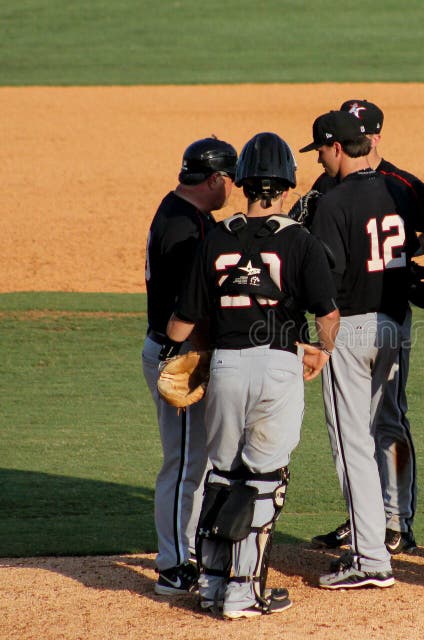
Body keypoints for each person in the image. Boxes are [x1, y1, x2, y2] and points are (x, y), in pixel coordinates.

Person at [162, 132, 340, 617]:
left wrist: (176, 354)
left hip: (225, 366)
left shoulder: (215, 237)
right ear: (287, 184)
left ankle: (211, 585)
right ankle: (244, 592)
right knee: (263, 480)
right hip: (277, 366)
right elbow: (327, 315)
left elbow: (184, 320)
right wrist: (322, 352)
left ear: (241, 182)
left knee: (221, 476)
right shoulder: (300, 240)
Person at [304, 99, 424, 556]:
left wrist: (408, 249)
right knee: (377, 423)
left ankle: (386, 522)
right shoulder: (376, 187)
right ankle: (378, 521)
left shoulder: (378, 187)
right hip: (389, 320)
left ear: (366, 138)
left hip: (357, 323)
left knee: (367, 427)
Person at [299, 110, 416, 589]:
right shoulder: (396, 190)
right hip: (395, 326)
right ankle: (387, 530)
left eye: (321, 151)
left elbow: (325, 283)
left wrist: (321, 347)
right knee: (380, 429)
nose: (319, 161)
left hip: (350, 330)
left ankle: (370, 559)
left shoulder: (333, 202)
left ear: (337, 148)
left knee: (352, 446)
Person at [142, 136, 237, 595]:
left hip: (180, 349)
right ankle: (174, 565)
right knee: (183, 463)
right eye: (230, 179)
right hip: (178, 353)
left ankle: (188, 552)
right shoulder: (184, 228)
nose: (233, 188)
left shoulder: (185, 213)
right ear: (215, 178)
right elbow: (190, 308)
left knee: (194, 460)